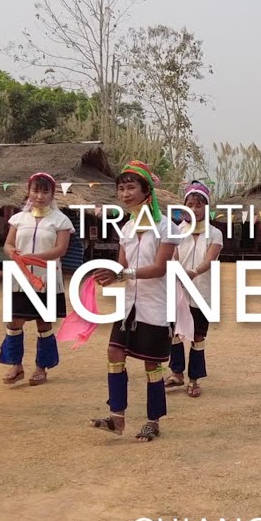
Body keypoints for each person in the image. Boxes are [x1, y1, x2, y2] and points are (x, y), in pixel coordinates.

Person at [88, 161, 181, 442]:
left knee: (152, 365)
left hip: (156, 306)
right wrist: (110, 276)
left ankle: (153, 421)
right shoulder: (127, 228)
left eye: (131, 188)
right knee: (114, 353)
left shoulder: (167, 227)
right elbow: (122, 265)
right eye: (121, 188)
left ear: (146, 192)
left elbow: (159, 269)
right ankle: (117, 418)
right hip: (129, 306)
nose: (125, 194)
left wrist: (122, 272)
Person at [0, 172, 74, 386]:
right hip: (19, 279)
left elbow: (61, 249)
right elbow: (7, 244)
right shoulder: (18, 219)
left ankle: (42, 367)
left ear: (52, 194)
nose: (40, 196)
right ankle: (16, 365)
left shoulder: (61, 221)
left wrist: (34, 258)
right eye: (36, 190)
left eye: (45, 191)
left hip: (46, 279)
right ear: (28, 192)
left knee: (43, 323)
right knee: (14, 321)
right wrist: (12, 251)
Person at [167, 180, 223, 398]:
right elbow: (174, 255)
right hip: (178, 289)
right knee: (175, 332)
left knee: (198, 336)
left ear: (206, 208)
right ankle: (176, 373)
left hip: (202, 291)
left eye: (198, 205)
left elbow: (210, 260)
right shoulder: (177, 231)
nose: (193, 209)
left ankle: (194, 379)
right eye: (189, 204)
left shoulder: (214, 234)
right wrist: (175, 270)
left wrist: (191, 273)